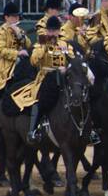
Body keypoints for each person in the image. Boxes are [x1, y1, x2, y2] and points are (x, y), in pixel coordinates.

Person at [10, 14, 74, 144]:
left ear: (59, 30)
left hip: (63, 78)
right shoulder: (41, 43)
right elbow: (33, 61)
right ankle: (33, 130)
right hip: (46, 78)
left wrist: (66, 57)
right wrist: (44, 47)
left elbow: (74, 62)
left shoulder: (64, 44)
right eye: (50, 30)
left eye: (55, 30)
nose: (53, 33)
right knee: (42, 100)